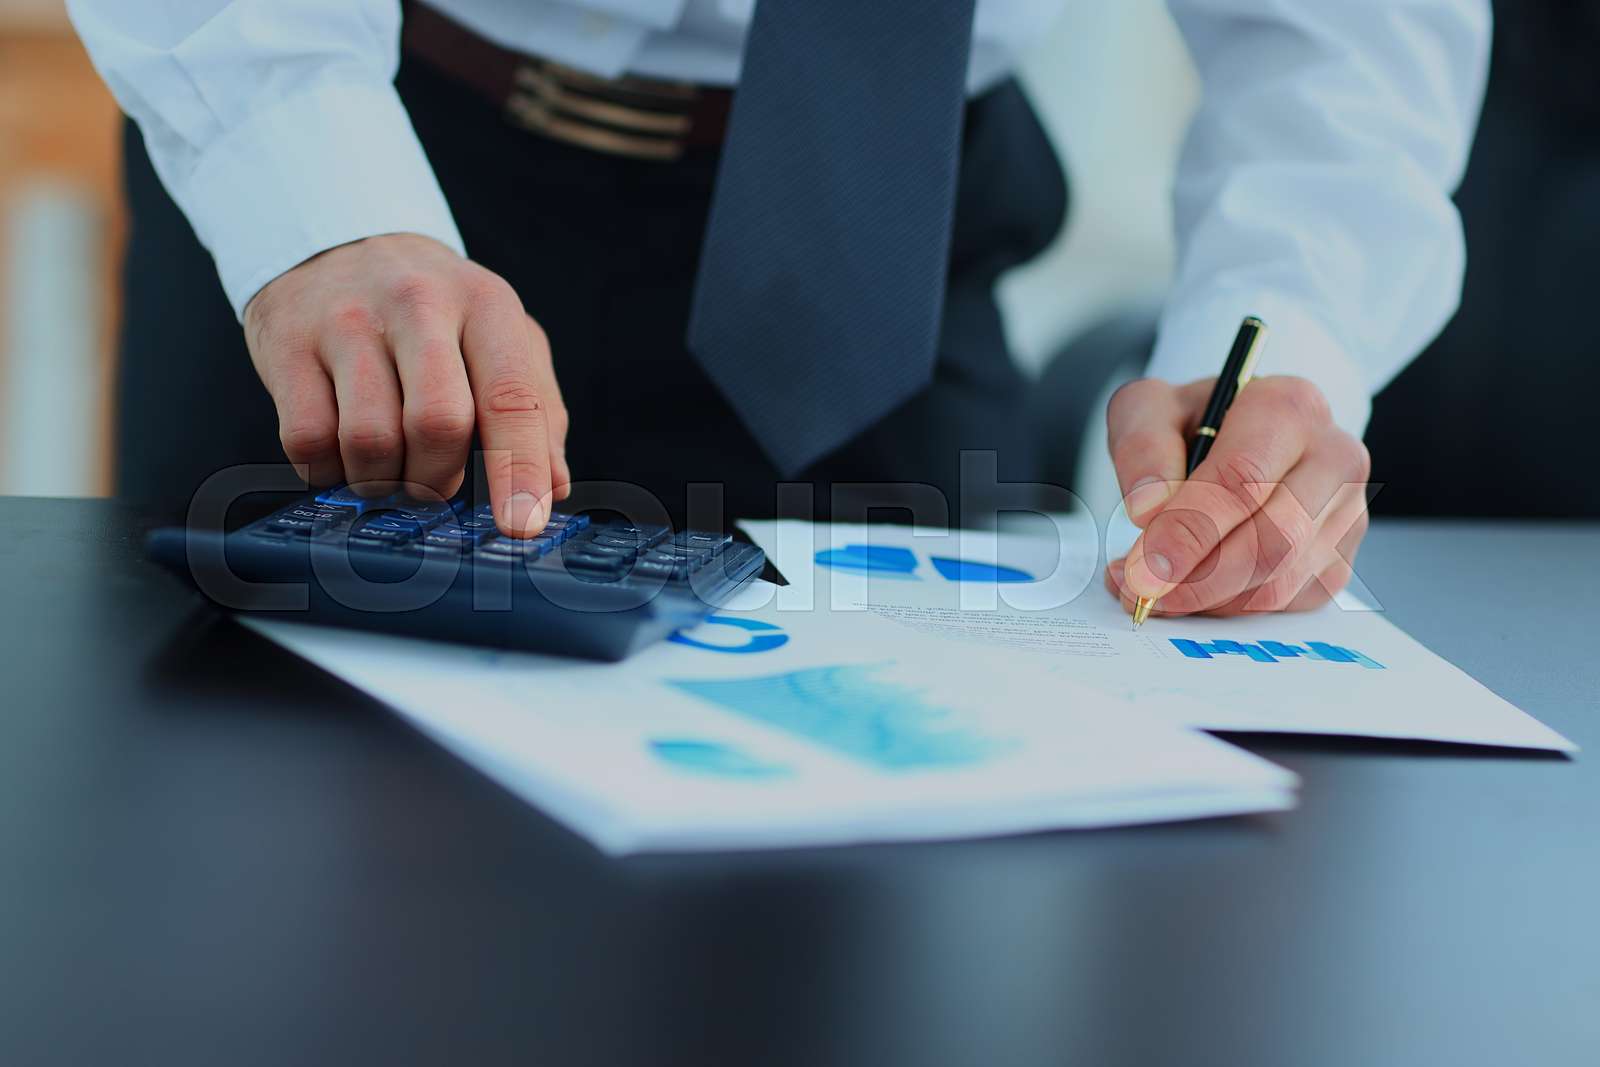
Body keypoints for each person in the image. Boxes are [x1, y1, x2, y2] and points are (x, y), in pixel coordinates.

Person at [67, 0, 1489, 619]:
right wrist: (313, 193)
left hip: (876, 245)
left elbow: (1347, 34)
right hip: (376, 191)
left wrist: (1288, 340)